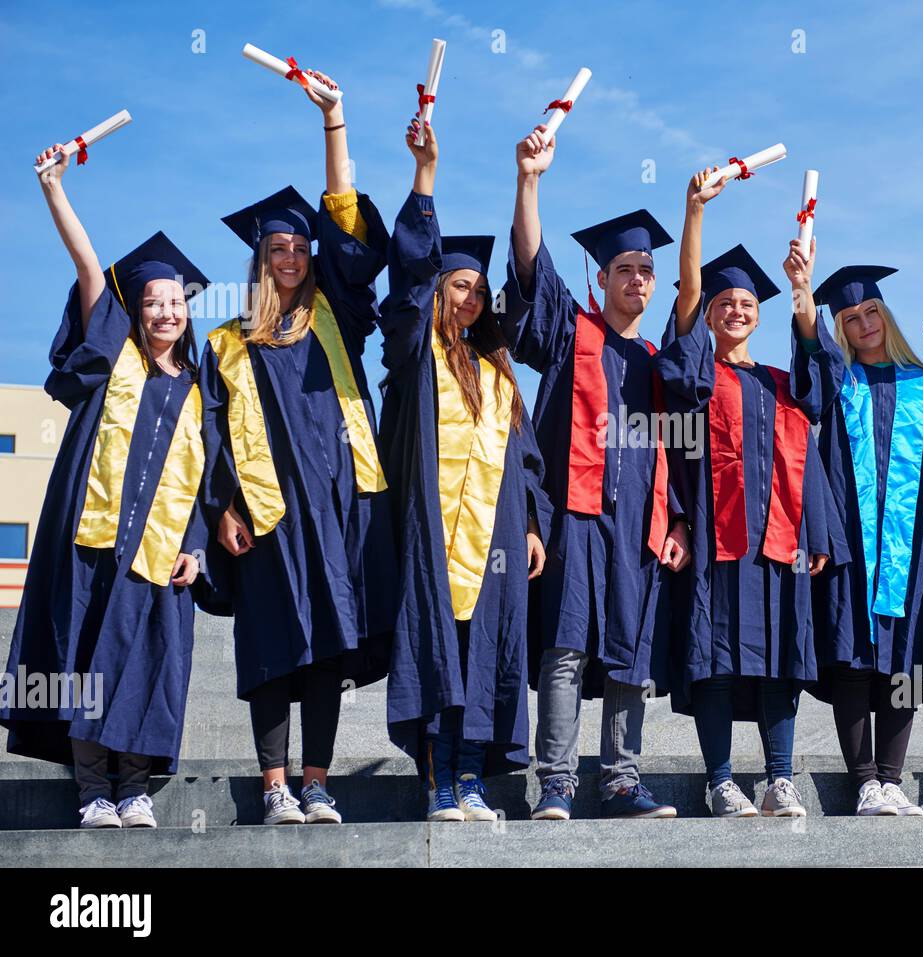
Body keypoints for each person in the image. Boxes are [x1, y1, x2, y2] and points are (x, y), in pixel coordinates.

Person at [199, 66, 398, 825]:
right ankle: (274, 782)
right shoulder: (224, 342)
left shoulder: (335, 318)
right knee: (275, 648)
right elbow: (211, 435)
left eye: (299, 244)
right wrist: (220, 508)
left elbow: (350, 229)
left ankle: (317, 781)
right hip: (269, 516)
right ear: (259, 256)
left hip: (340, 508)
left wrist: (334, 123)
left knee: (330, 651)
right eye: (277, 245)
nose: (290, 254)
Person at [0, 145, 212, 829]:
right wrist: (56, 190)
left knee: (147, 667)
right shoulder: (111, 357)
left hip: (159, 558)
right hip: (93, 545)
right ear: (133, 310)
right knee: (84, 660)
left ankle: (134, 788)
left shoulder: (202, 392)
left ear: (188, 311)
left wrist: (199, 547)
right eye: (152, 302)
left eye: (176, 301)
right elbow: (89, 267)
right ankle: (93, 789)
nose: (166, 312)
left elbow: (214, 479)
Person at [504, 125, 691, 821]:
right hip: (574, 515)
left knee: (628, 656)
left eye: (646, 270)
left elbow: (688, 446)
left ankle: (620, 780)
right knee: (565, 648)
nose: (637, 279)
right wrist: (529, 181)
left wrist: (679, 518)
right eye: (624, 270)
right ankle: (555, 784)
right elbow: (530, 269)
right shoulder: (568, 333)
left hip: (639, 524)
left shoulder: (659, 363)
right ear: (601, 278)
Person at [378, 118, 551, 824]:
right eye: (458, 285)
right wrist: (426, 175)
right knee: (437, 652)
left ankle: (471, 779)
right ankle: (437, 781)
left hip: (496, 541)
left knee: (485, 656)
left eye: (480, 291)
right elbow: (407, 288)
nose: (470, 299)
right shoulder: (418, 358)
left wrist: (535, 523)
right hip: (431, 534)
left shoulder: (499, 374)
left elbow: (526, 456)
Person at [657, 170, 842, 818]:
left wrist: (801, 291)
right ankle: (720, 779)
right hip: (719, 538)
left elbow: (821, 403)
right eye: (724, 304)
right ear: (709, 314)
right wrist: (694, 216)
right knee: (716, 658)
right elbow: (679, 334)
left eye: (747, 305)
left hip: (782, 545)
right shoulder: (697, 375)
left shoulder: (780, 381)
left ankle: (780, 778)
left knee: (780, 662)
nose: (738, 309)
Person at [790, 246, 923, 817]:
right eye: (850, 318)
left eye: (872, 312)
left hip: (914, 543)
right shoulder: (838, 383)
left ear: (886, 316)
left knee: (907, 656)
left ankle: (892, 781)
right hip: (850, 539)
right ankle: (865, 781)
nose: (864, 324)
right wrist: (801, 292)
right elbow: (809, 379)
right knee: (854, 658)